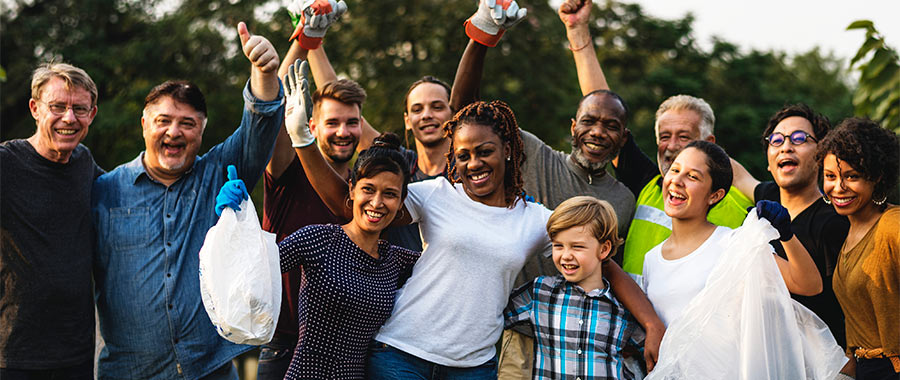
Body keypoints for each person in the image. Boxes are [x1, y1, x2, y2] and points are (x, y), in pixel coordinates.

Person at [448, 1, 662, 376]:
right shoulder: (532, 153)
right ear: (573, 126)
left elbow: (609, 267)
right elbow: (464, 111)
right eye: (589, 121)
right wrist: (482, 35)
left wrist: (652, 322)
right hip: (518, 322)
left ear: (623, 137)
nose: (598, 131)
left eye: (611, 126)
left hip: (582, 330)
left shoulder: (624, 200)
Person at [91, 23, 284, 379]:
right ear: (145, 124)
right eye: (163, 120)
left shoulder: (218, 171)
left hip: (209, 369)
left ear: (202, 130)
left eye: (187, 123)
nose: (174, 132)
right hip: (128, 371)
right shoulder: (104, 189)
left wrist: (264, 72)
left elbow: (261, 121)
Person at [215, 128, 420, 379]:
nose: (377, 203)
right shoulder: (317, 239)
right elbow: (252, 272)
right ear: (352, 189)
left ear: (401, 202)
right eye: (368, 189)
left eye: (389, 194)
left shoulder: (398, 261)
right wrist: (235, 219)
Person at [641, 140, 822, 327]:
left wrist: (786, 235)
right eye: (675, 170)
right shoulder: (652, 259)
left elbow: (808, 285)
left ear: (715, 195)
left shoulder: (734, 244)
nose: (677, 181)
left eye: (692, 177)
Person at [1, 63, 102, 379]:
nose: (69, 118)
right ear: (35, 108)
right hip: (14, 355)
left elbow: (132, 200)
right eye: (57, 107)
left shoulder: (84, 163)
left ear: (92, 114)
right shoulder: (6, 163)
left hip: (76, 354)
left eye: (79, 109)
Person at [732, 105, 849, 355]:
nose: (786, 146)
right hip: (763, 356)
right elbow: (738, 176)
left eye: (799, 138)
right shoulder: (769, 196)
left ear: (821, 155)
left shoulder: (835, 222)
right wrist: (692, 145)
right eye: (777, 140)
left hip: (822, 363)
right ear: (768, 162)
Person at [614, 94, 755, 284]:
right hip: (629, 312)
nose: (672, 146)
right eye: (665, 136)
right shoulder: (647, 183)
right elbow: (605, 112)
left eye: (684, 137)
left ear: (709, 143)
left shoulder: (743, 211)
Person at [504, 196, 644, 380]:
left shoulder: (621, 308)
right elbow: (493, 315)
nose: (566, 256)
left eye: (577, 247)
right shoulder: (540, 293)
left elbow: (652, 352)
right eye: (558, 246)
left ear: (604, 249)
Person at [817, 118, 899, 380]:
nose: (838, 188)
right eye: (830, 176)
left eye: (852, 176)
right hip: (865, 370)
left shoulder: (892, 225)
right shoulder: (848, 234)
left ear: (877, 177)